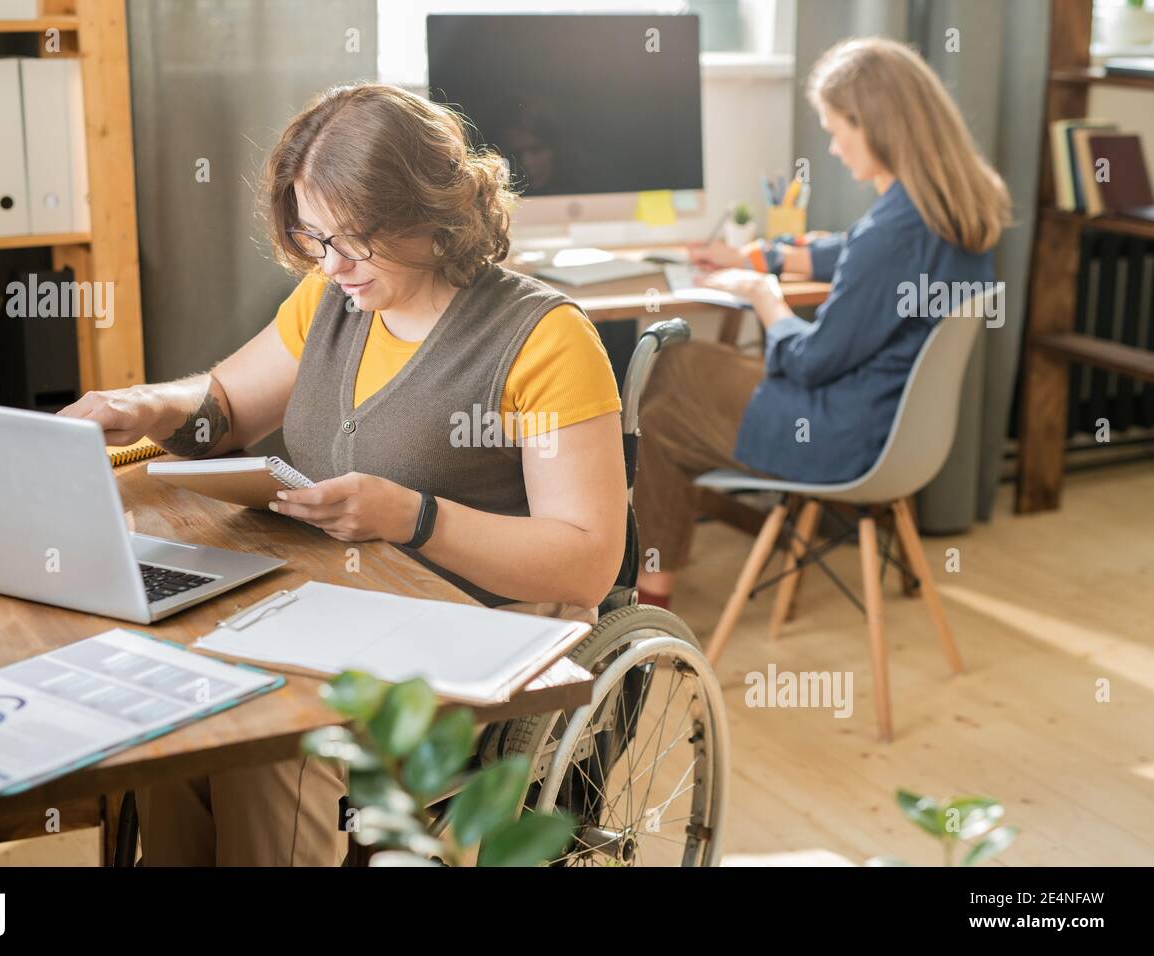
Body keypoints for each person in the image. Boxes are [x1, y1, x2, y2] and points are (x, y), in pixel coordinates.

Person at [58, 83, 626, 865]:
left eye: (352, 240)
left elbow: (587, 559)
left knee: (268, 744)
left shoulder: (543, 339)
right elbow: (223, 404)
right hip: (322, 613)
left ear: (435, 210)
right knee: (186, 717)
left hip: (478, 632)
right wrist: (151, 406)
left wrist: (414, 517)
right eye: (315, 239)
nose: (333, 265)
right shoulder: (329, 298)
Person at [634, 37, 1011, 608]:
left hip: (841, 435)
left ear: (875, 124)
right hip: (896, 433)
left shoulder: (891, 232)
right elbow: (854, 254)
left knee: (672, 372)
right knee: (667, 409)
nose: (832, 149)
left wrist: (764, 295)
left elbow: (811, 361)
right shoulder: (954, 206)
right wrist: (763, 256)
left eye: (836, 131)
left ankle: (643, 605)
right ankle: (649, 596)